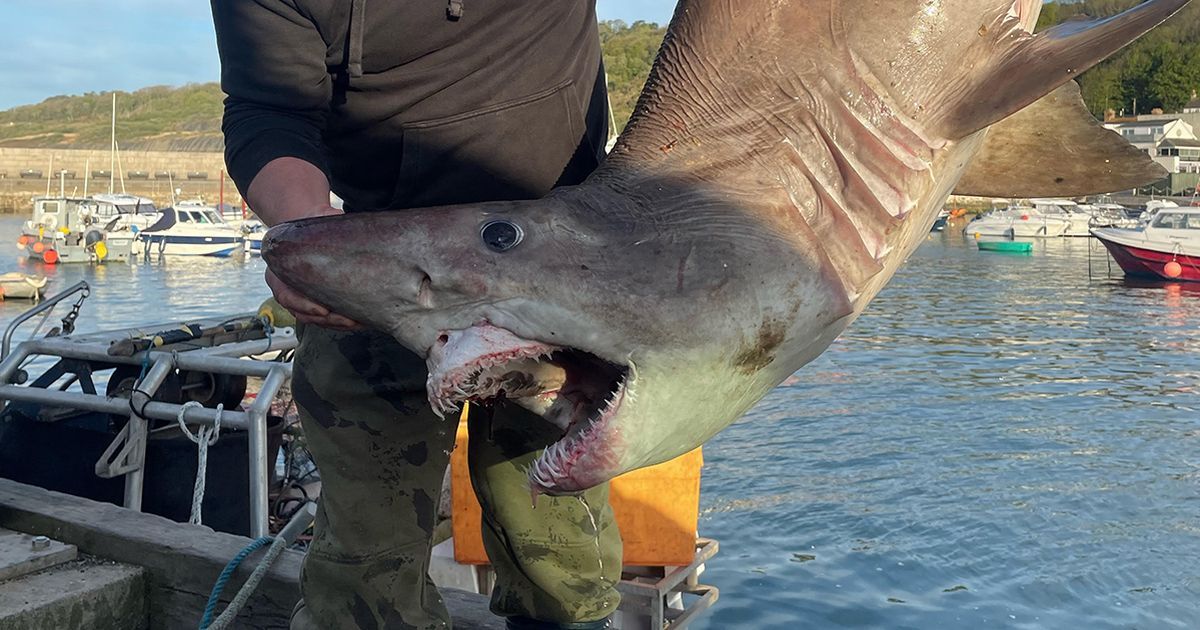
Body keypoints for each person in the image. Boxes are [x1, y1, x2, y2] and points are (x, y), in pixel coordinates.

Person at [209, 1, 622, 628]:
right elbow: (269, 109)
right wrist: (310, 239)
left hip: (561, 274)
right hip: (386, 270)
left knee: (561, 555)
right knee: (364, 567)